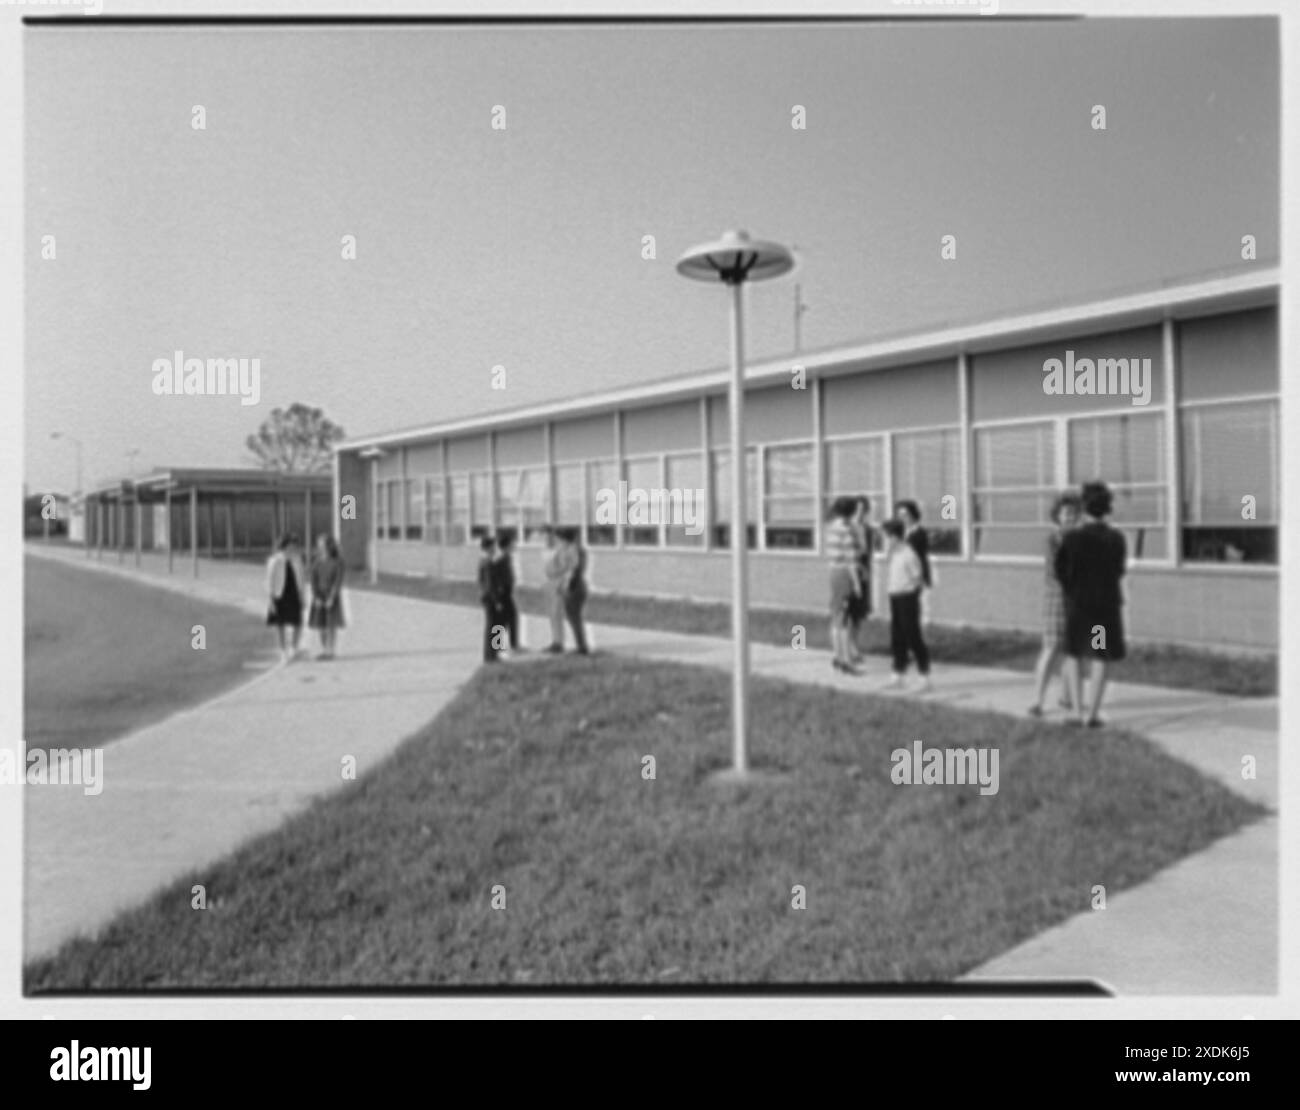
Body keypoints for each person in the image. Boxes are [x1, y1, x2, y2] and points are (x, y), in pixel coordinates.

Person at [1055, 480, 1127, 727]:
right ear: (1107, 508)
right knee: (1099, 656)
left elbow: (1061, 571)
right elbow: (1119, 570)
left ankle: (1076, 712)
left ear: (1084, 507)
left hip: (1078, 607)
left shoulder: (1072, 538)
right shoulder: (1116, 538)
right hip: (1103, 609)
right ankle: (1093, 714)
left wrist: (1072, 590)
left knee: (1074, 654)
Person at [1028, 493, 1081, 717]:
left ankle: (1067, 698)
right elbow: (1055, 572)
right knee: (1051, 649)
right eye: (1066, 513)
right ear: (1058, 516)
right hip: (1057, 598)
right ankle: (1037, 701)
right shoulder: (1052, 540)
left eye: (1074, 513)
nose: (1070, 517)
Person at [882, 518, 931, 692]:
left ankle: (924, 678)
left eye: (887, 537)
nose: (885, 540)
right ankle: (898, 675)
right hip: (894, 597)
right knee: (897, 637)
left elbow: (918, 578)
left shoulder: (909, 554)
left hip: (907, 598)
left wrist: (910, 593)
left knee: (913, 637)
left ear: (895, 537)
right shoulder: (895, 553)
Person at [824, 496, 863, 675]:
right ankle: (847, 660)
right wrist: (857, 584)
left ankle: (837, 656)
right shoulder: (845, 530)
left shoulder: (830, 527)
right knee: (845, 619)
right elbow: (851, 560)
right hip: (844, 574)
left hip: (833, 571)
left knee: (836, 617)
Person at [265, 533, 305, 663]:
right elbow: (269, 581)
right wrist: (271, 600)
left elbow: (301, 579)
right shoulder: (275, 560)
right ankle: (283, 651)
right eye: (291, 546)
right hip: (280, 595)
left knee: (298, 622)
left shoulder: (297, 560)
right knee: (280, 624)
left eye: (294, 546)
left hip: (294, 593)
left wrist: (303, 596)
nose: (293, 548)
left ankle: (294, 648)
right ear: (284, 546)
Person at [308, 533, 346, 660]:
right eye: (319, 545)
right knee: (321, 625)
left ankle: (330, 651)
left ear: (329, 546)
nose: (320, 547)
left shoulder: (338, 562)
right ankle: (325, 650)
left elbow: (338, 581)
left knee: (331, 625)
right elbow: (313, 580)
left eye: (322, 544)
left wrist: (332, 598)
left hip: (331, 596)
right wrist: (316, 597)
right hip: (319, 596)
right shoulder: (316, 562)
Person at [848, 496, 877, 663]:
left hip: (864, 572)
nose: (860, 513)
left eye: (863, 509)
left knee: (859, 612)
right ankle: (848, 648)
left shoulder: (868, 530)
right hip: (850, 572)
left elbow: (868, 553)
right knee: (849, 612)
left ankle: (854, 645)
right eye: (857, 509)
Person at [543, 527, 573, 653]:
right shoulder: (552, 549)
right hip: (550, 581)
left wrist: (563, 584)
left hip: (558, 582)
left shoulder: (563, 550)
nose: (547, 538)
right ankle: (554, 640)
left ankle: (559, 643)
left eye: (550, 536)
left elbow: (566, 568)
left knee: (556, 613)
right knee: (551, 614)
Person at [559, 528, 590, 655]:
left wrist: (566, 587)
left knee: (574, 617)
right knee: (575, 617)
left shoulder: (572, 551)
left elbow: (572, 571)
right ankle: (581, 645)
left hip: (574, 587)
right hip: (580, 585)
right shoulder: (579, 550)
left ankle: (582, 647)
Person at [477, 535, 505, 663]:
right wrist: (497, 601)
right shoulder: (488, 562)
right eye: (494, 546)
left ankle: (492, 654)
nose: (496, 548)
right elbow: (490, 584)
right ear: (489, 547)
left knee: (494, 625)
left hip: (487, 596)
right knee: (495, 626)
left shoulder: (484, 560)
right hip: (492, 598)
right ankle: (493, 654)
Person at [494, 532, 520, 655]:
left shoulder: (508, 558)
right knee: (502, 619)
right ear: (506, 546)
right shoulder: (500, 560)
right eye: (512, 544)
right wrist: (497, 596)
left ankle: (513, 644)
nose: (514, 545)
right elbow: (496, 578)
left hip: (508, 591)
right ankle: (497, 644)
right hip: (503, 591)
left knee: (512, 617)